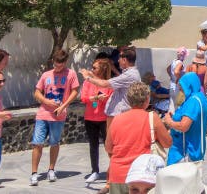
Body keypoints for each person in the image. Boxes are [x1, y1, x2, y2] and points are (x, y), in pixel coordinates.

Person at [105, 82, 172, 193]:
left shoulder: (117, 119)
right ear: (147, 99)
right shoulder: (152, 117)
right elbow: (167, 143)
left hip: (117, 175)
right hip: (142, 177)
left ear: (129, 99)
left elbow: (109, 148)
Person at [30, 49, 80, 187]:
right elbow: (37, 92)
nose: (57, 66)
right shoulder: (46, 74)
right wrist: (46, 101)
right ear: (53, 61)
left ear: (65, 62)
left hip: (58, 116)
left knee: (54, 143)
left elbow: (75, 90)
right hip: (43, 114)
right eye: (56, 63)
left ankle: (51, 169)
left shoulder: (71, 74)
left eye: (60, 64)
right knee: (37, 143)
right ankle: (34, 173)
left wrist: (64, 106)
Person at [80, 46, 142, 126]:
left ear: (124, 60)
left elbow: (105, 84)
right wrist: (91, 76)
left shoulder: (129, 75)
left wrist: (87, 77)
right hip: (116, 115)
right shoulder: (130, 74)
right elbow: (84, 98)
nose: (118, 61)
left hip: (121, 116)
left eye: (119, 58)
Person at [80, 58, 114, 185]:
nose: (92, 69)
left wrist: (102, 99)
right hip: (90, 118)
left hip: (104, 119)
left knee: (109, 145)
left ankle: (114, 169)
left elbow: (110, 101)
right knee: (93, 145)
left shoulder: (108, 83)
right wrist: (95, 98)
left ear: (102, 69)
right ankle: (95, 171)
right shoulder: (88, 83)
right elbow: (83, 98)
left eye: (95, 68)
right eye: (92, 67)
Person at [163, 72, 207, 164]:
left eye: (182, 87)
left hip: (185, 152)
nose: (181, 90)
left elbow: (184, 126)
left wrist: (169, 121)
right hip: (195, 148)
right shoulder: (201, 97)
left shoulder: (193, 101)